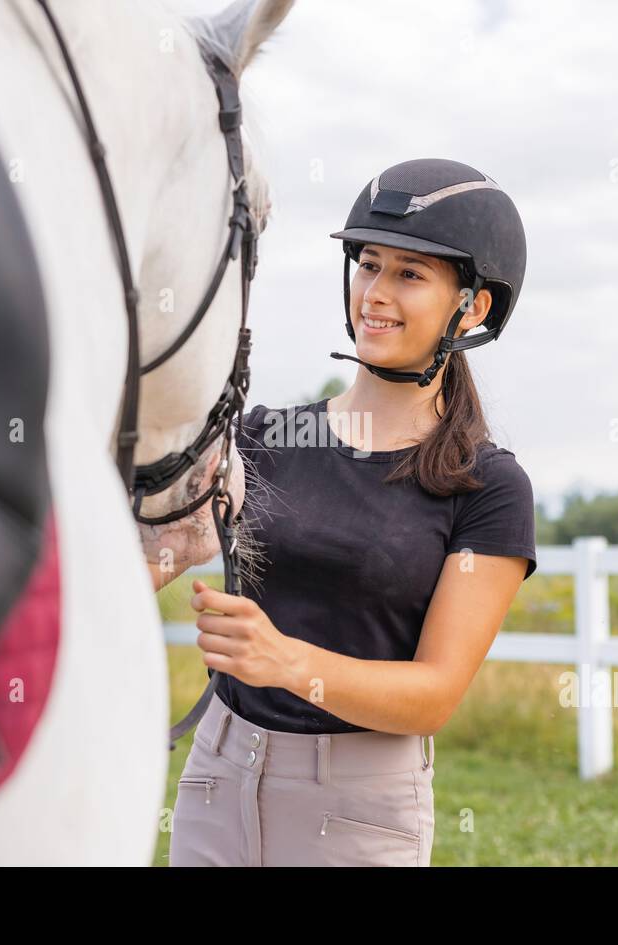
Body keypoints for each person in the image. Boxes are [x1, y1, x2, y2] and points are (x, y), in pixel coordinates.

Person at [168, 158, 537, 866]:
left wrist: (283, 660)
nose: (375, 292)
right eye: (369, 264)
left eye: (410, 273)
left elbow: (433, 694)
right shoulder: (263, 436)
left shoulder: (486, 487)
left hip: (360, 805)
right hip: (219, 768)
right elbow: (161, 548)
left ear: (474, 306)